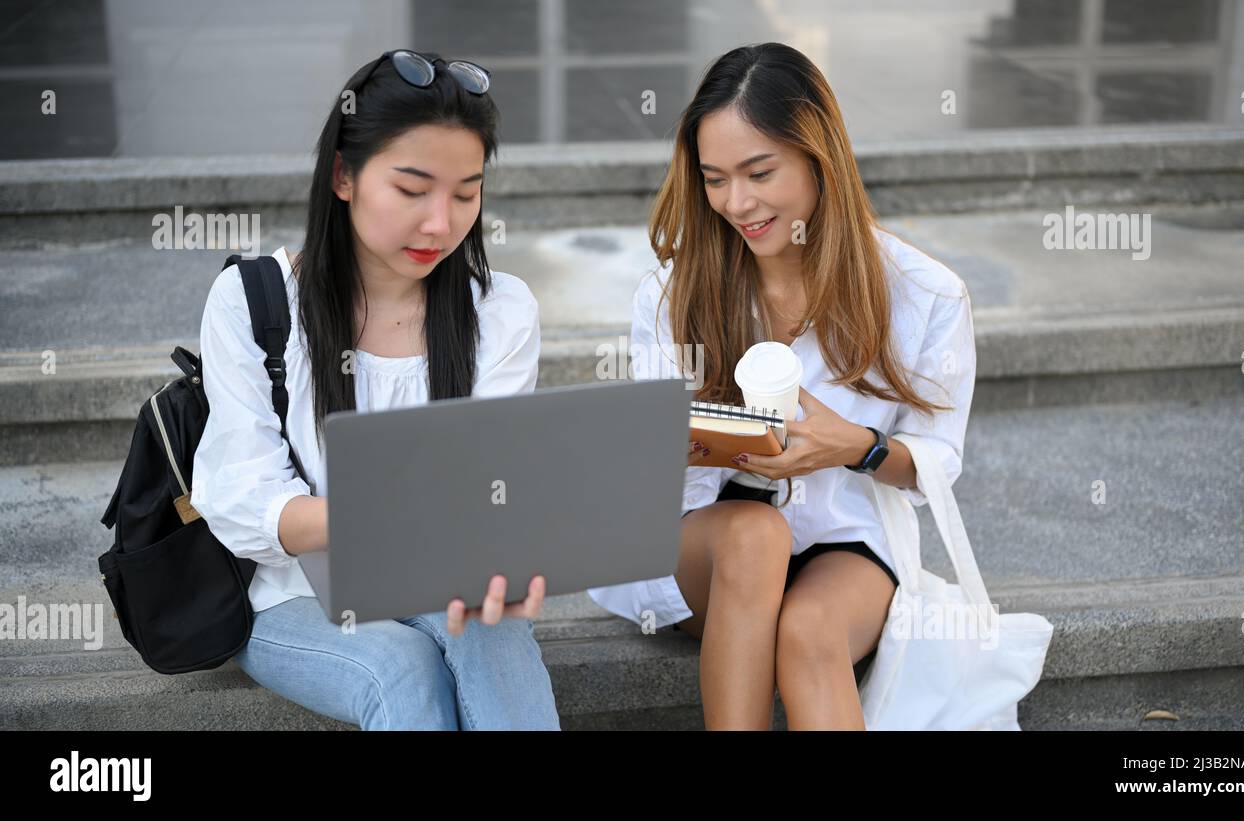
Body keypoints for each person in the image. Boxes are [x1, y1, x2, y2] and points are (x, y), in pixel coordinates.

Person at [587, 42, 976, 730]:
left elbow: (938, 459)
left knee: (809, 632)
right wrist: (678, 444)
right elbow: (642, 451)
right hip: (709, 541)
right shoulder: (671, 293)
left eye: (759, 171)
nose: (737, 202)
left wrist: (853, 446)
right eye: (714, 178)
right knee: (756, 536)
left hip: (844, 537)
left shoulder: (925, 293)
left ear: (816, 156)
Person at [190, 50, 559, 730]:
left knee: (492, 628)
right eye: (413, 190)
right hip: (288, 594)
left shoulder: (500, 311)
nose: (441, 223)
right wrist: (387, 519)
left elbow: (492, 486)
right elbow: (244, 501)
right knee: (400, 665)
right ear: (344, 175)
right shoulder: (254, 303)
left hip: (439, 576)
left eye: (466, 192)